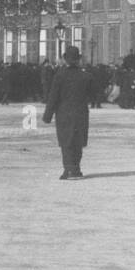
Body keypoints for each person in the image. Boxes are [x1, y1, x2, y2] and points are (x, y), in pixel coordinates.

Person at [42, 46, 94, 179]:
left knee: (66, 142)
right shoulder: (85, 76)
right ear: (78, 59)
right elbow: (93, 94)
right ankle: (76, 168)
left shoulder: (60, 75)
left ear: (65, 59)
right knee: (78, 141)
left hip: (64, 113)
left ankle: (69, 169)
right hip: (81, 112)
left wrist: (48, 115)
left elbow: (53, 96)